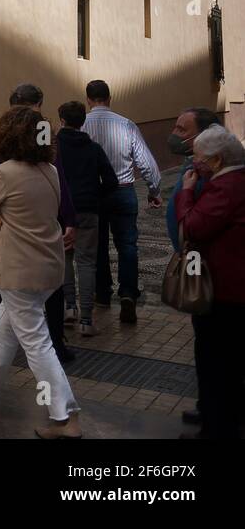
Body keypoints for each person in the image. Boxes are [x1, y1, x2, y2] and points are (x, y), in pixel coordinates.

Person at [0, 106, 82, 438]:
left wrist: (0, 218)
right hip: (50, 268)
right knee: (3, 330)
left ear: (5, 136)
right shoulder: (49, 169)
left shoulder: (2, 172)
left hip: (19, 272)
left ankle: (66, 417)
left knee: (36, 342)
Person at [174, 125, 245, 439]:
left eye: (199, 158)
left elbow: (193, 226)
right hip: (234, 289)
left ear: (216, 161)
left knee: (216, 362)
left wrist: (187, 192)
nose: (194, 164)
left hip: (225, 292)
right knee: (230, 363)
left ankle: (217, 428)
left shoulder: (226, 187)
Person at [82, 79, 161, 326]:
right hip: (123, 190)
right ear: (109, 98)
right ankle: (128, 293)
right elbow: (145, 161)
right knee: (127, 245)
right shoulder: (126, 124)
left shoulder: (81, 124)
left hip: (94, 193)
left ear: (88, 99)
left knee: (99, 245)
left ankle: (102, 294)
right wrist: (154, 189)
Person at [55, 101, 118, 338]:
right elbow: (111, 181)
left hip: (61, 211)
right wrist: (95, 195)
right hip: (88, 210)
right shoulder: (93, 148)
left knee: (65, 259)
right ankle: (86, 320)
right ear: (82, 122)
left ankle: (69, 307)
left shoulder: (54, 148)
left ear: (61, 120)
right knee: (86, 262)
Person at [166, 108, 220, 249]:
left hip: (196, 254)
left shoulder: (205, 173)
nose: (174, 134)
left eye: (181, 130)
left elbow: (194, 225)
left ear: (204, 136)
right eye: (175, 128)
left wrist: (192, 259)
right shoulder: (192, 167)